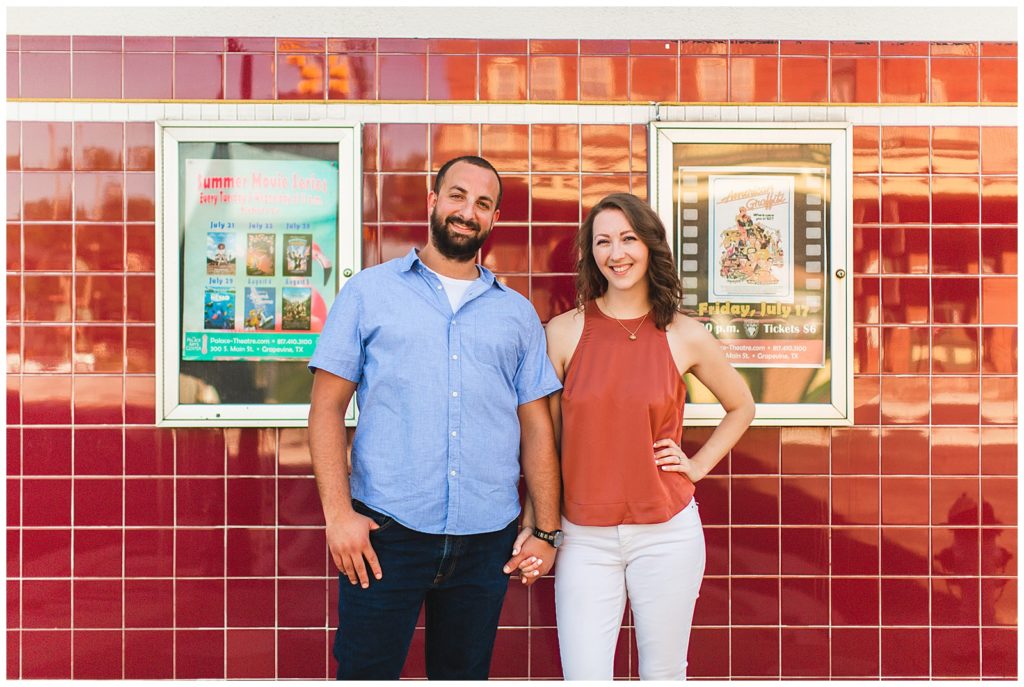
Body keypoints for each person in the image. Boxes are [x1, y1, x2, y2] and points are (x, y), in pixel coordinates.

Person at [307, 156, 563, 680]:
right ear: (433, 202)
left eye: (483, 204)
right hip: (386, 534)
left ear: (494, 220)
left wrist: (546, 530)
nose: (467, 211)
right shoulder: (368, 292)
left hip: (485, 539)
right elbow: (326, 409)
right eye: (457, 196)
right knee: (365, 675)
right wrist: (338, 516)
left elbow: (537, 426)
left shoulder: (515, 312)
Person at [527, 192, 755, 680]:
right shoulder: (563, 332)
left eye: (629, 238)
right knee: (584, 676)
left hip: (667, 533)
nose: (617, 253)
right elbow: (544, 440)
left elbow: (742, 406)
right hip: (584, 536)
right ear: (591, 253)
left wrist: (695, 465)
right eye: (603, 241)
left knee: (664, 673)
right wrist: (537, 523)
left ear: (650, 246)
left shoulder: (684, 334)